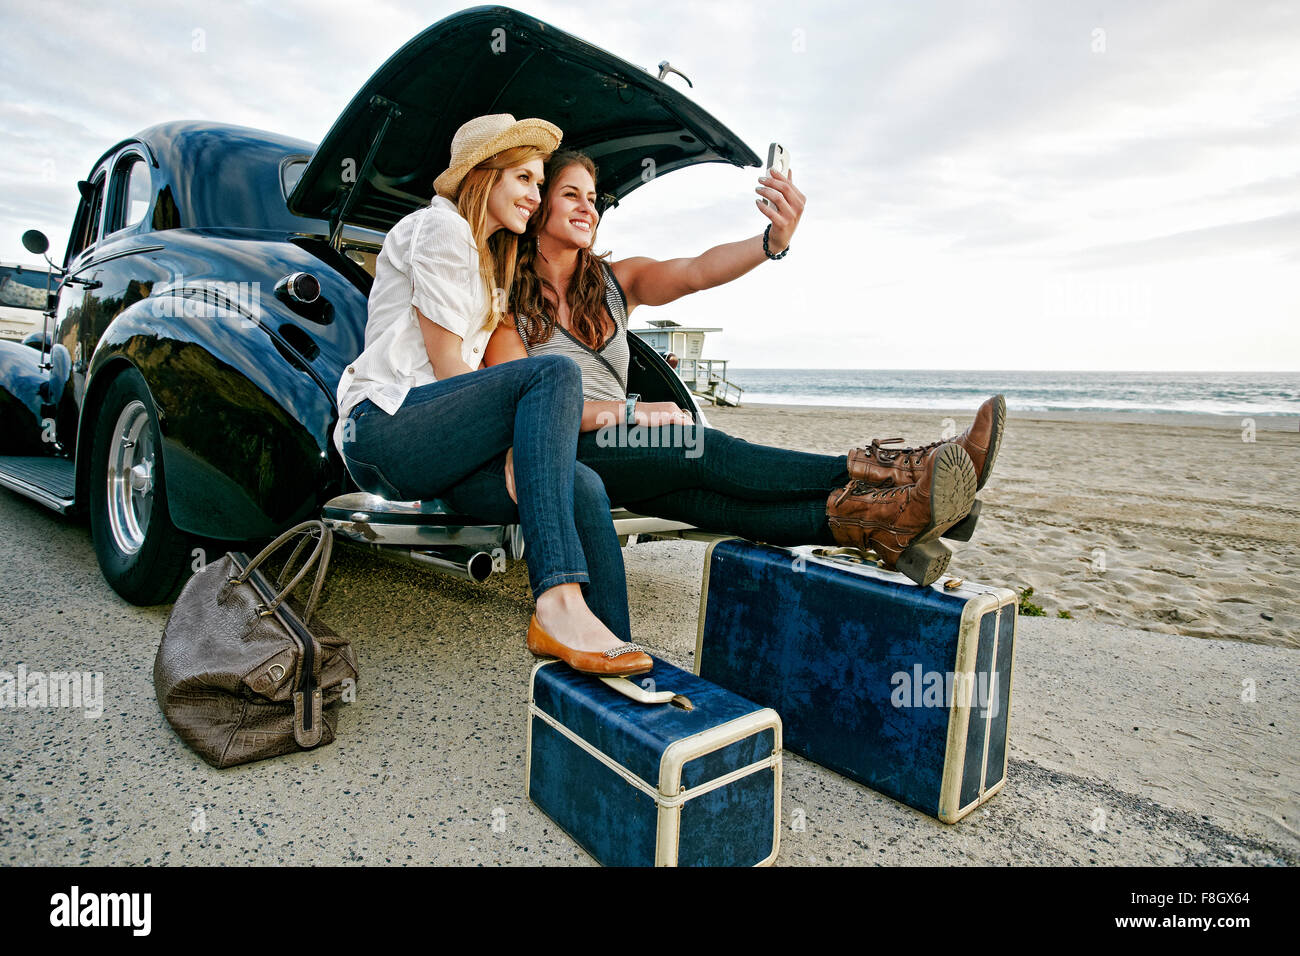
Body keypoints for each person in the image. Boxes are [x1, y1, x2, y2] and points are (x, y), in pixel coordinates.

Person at [491, 150, 1005, 586]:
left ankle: (887, 519)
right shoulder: (505, 311)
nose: (588, 207)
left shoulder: (614, 281)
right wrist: (629, 411)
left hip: (633, 456)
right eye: (570, 194)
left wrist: (769, 242)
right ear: (538, 208)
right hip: (568, 453)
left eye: (592, 197)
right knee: (699, 447)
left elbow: (695, 271)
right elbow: (524, 409)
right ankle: (899, 469)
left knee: (720, 507)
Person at [332, 116, 650, 676]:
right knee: (553, 375)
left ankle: (609, 662)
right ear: (484, 176)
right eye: (524, 179)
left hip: (439, 446)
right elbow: (451, 368)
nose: (534, 194)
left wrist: (519, 446)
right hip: (384, 428)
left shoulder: (487, 261)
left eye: (537, 182)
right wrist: (511, 441)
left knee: (581, 484)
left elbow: (478, 384)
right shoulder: (441, 228)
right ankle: (556, 603)